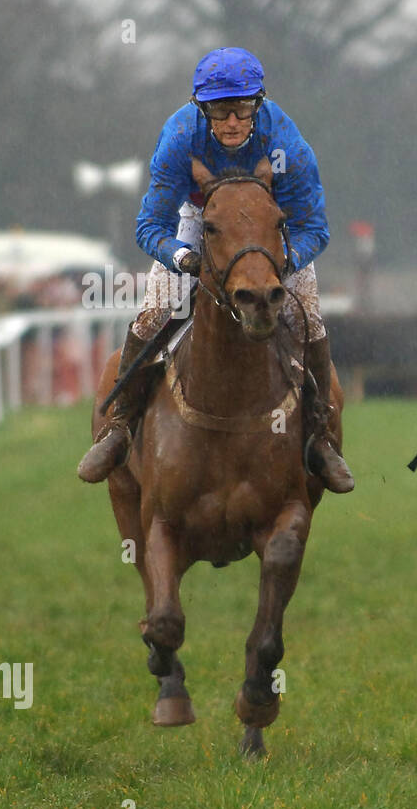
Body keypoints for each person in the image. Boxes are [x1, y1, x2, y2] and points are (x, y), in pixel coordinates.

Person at [77, 47, 353, 492]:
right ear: (200, 108)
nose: (230, 122)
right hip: (199, 221)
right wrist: (182, 258)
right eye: (220, 111)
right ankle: (120, 428)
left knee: (310, 320)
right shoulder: (179, 138)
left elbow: (314, 228)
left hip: (269, 231)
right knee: (153, 314)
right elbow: (151, 225)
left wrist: (280, 262)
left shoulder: (286, 143)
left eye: (241, 110)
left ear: (257, 105)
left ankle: (320, 437)